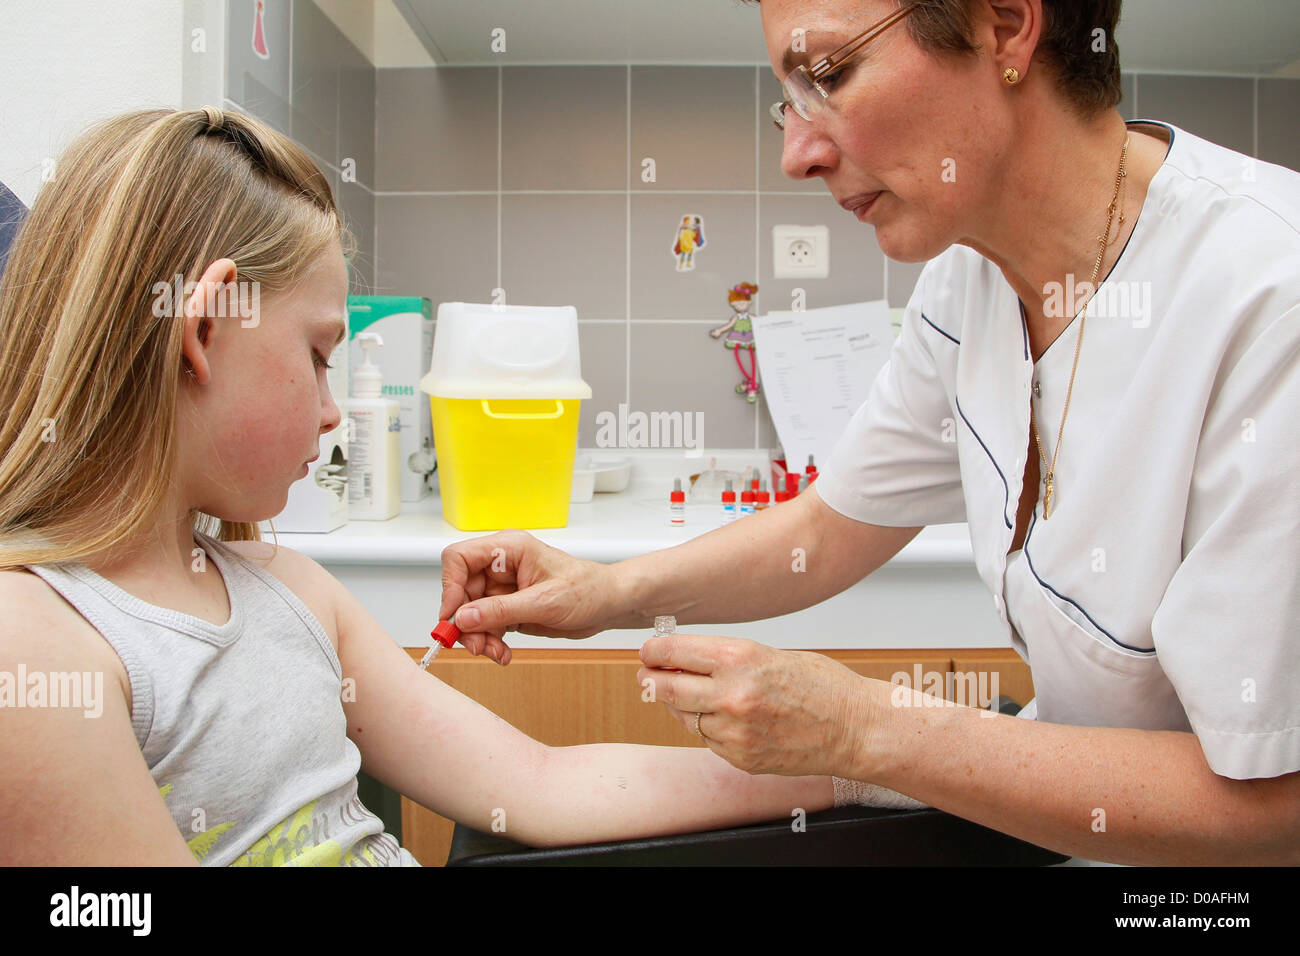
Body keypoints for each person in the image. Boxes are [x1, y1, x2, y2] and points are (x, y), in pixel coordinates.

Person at [439, 0, 1300, 865]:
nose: (797, 155)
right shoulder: (971, 276)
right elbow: (831, 527)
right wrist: (602, 595)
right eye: (790, 100)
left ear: (1003, 27)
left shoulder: (1268, 299)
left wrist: (869, 731)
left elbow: (1276, 812)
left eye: (830, 74)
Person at [0, 107, 853, 866]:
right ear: (207, 327)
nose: (334, 413)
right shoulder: (36, 648)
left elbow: (540, 780)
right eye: (318, 355)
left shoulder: (286, 591)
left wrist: (860, 766)